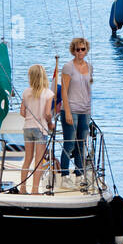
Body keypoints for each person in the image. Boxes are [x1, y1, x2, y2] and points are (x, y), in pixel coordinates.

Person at [18, 63, 54, 195]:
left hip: (28, 128)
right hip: (41, 129)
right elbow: (48, 114)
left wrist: (30, 116)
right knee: (38, 161)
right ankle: (34, 190)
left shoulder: (26, 92)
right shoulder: (48, 93)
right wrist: (50, 123)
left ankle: (22, 188)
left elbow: (22, 112)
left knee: (27, 159)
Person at [61, 37, 92, 180]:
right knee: (69, 144)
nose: (80, 52)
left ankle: (79, 174)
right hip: (71, 109)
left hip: (85, 110)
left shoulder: (90, 67)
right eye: (77, 49)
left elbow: (87, 89)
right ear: (73, 51)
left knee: (81, 144)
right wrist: (67, 111)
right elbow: (64, 91)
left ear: (86, 50)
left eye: (82, 49)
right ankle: (64, 175)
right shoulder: (68, 67)